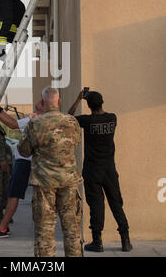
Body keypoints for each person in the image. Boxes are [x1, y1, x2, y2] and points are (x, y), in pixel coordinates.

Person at [18, 86, 83, 257]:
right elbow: (75, 143)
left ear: (42, 102)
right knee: (72, 230)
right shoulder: (72, 122)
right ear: (59, 102)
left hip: (44, 183)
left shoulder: (36, 124)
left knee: (45, 231)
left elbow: (23, 150)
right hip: (68, 180)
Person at [68, 90, 132, 252]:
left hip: (92, 171)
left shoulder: (87, 121)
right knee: (116, 203)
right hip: (109, 170)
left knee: (96, 206)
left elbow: (68, 118)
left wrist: (77, 100)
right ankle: (125, 240)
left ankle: (97, 241)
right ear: (102, 102)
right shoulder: (112, 118)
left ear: (88, 104)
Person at [0, 101, 44, 238]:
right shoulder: (45, 119)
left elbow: (14, 124)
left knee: (13, 194)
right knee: (37, 194)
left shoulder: (36, 118)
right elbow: (14, 123)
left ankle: (3, 227)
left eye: (41, 101)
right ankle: (40, 229)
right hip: (34, 161)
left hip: (25, 160)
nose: (38, 102)